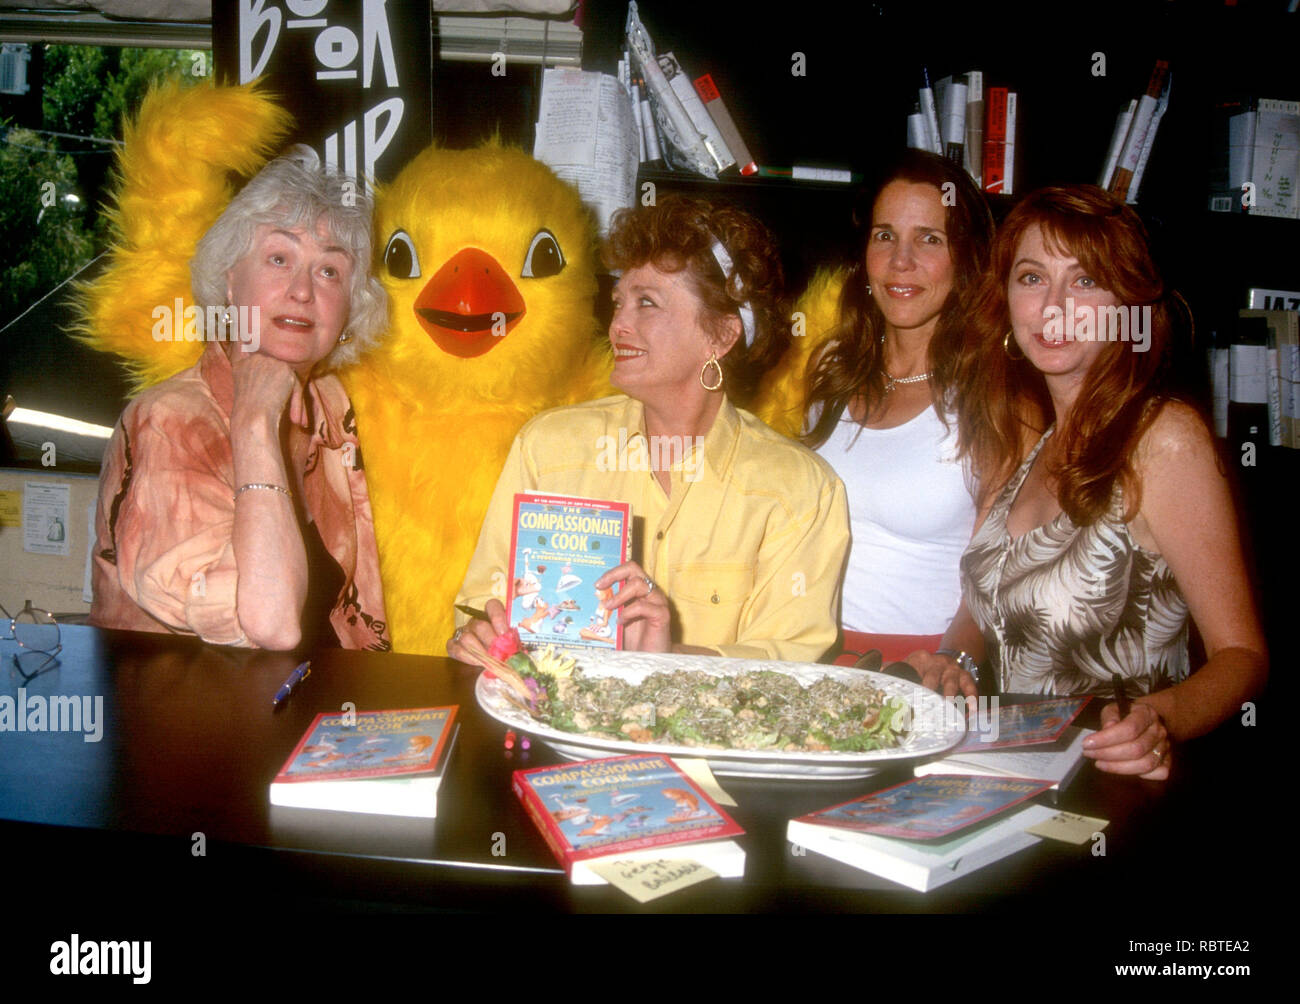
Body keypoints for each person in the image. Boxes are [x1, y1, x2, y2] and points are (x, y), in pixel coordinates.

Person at [912, 185, 1267, 779]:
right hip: (1009, 774)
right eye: (1031, 278)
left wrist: (1161, 720)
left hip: (1118, 789)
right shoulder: (1027, 443)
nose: (1053, 306)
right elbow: (980, 607)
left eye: (1083, 281)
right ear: (1006, 301)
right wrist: (955, 662)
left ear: (1126, 304)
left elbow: (1244, 656)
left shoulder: (1163, 439)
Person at [449, 196, 849, 664]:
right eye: (618, 302)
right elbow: (482, 604)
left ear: (720, 335)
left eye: (646, 303)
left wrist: (667, 658)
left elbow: (790, 664)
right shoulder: (550, 447)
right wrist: (479, 635)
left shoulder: (799, 490)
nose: (618, 324)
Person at [91, 148, 391, 651]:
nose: (301, 291)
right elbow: (269, 623)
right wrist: (252, 421)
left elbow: (352, 618)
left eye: (329, 272)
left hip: (312, 710)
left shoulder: (330, 405)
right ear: (231, 283)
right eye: (279, 258)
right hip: (186, 721)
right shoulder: (169, 421)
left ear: (350, 309)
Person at [784, 150, 994, 665]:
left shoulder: (992, 394)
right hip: (808, 653)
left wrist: (951, 666)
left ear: (965, 259)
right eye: (885, 236)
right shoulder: (831, 366)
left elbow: (997, 580)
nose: (902, 261)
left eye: (930, 238)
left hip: (924, 666)